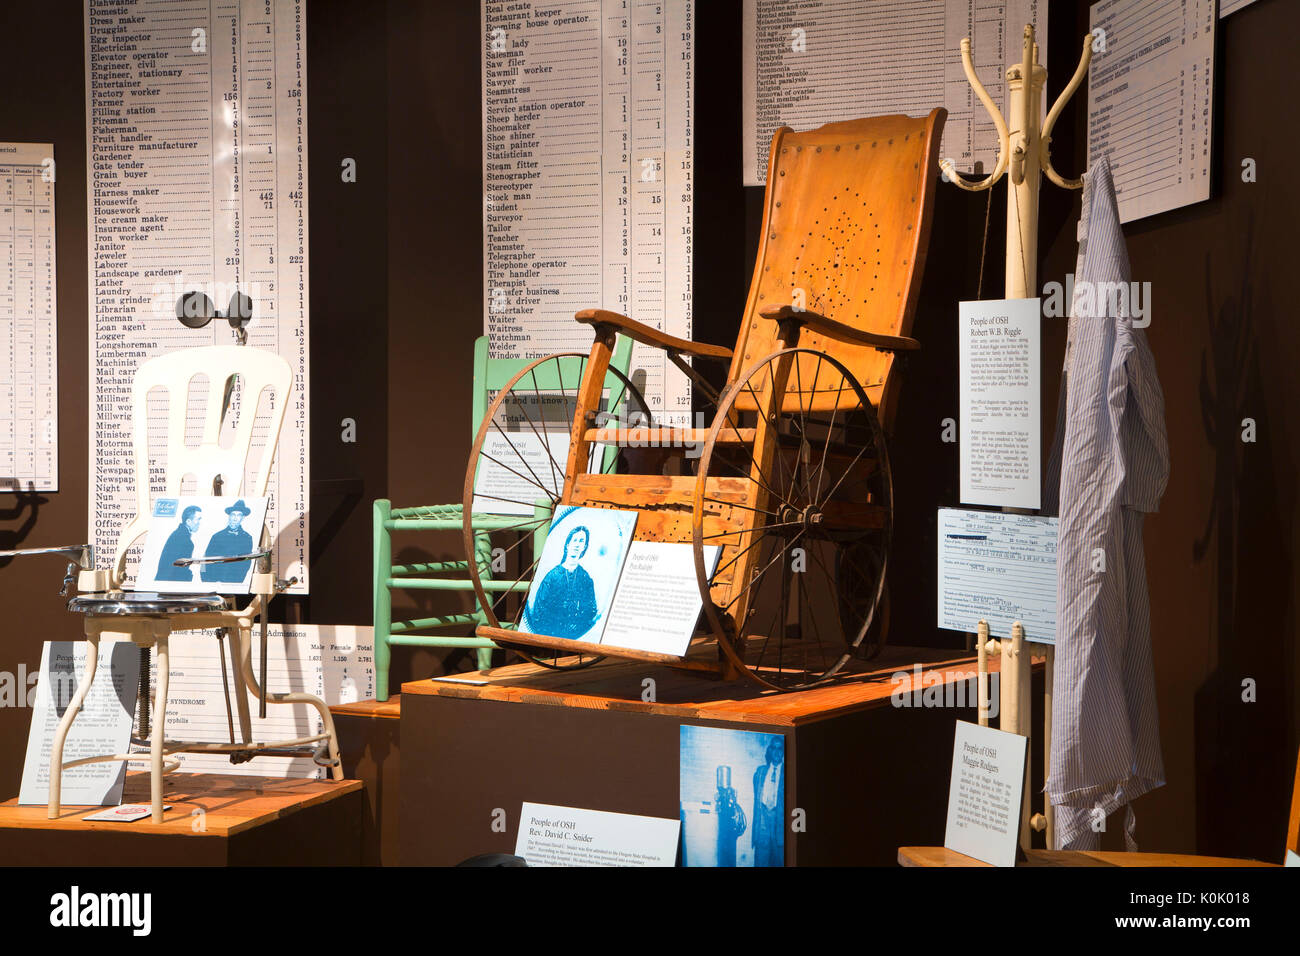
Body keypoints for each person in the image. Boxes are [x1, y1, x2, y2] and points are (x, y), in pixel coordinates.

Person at [524, 525, 599, 639]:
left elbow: (591, 610)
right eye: (574, 540)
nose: (577, 544)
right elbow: (540, 610)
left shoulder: (585, 578)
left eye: (581, 541)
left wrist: (577, 625)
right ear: (568, 544)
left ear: (584, 546)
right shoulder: (552, 576)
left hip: (576, 636)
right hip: (550, 634)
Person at [201, 499, 255, 583]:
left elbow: (246, 562)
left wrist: (237, 581)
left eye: (239, 515)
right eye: (233, 515)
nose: (235, 518)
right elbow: (206, 559)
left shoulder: (247, 538)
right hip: (215, 581)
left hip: (234, 582)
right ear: (229, 516)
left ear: (243, 517)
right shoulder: (217, 536)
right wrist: (208, 580)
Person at [751, 736, 785, 867]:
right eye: (774, 748)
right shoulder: (760, 772)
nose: (776, 752)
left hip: (780, 828)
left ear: (783, 751)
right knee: (760, 862)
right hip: (762, 827)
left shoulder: (789, 773)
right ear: (769, 751)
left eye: (780, 748)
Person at [156, 506, 202, 582]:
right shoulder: (186, 542)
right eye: (198, 519)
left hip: (163, 582)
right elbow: (180, 571)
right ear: (188, 521)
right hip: (170, 586)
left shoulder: (178, 534)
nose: (199, 523)